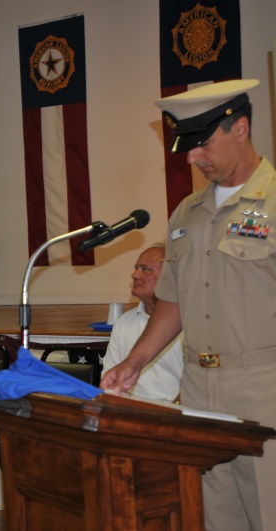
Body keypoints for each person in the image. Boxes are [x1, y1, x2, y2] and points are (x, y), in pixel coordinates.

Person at [101, 79, 276, 531]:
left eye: (202, 144)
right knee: (215, 518)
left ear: (240, 128)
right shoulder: (186, 214)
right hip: (198, 389)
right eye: (187, 146)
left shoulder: (273, 202)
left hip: (264, 387)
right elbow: (173, 300)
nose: (193, 158)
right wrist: (136, 362)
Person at [102, 245, 183, 402]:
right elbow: (110, 377)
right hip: (132, 410)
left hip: (176, 413)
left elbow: (198, 383)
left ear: (168, 277)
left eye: (145, 269)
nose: (134, 275)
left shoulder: (188, 324)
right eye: (136, 268)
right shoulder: (124, 322)